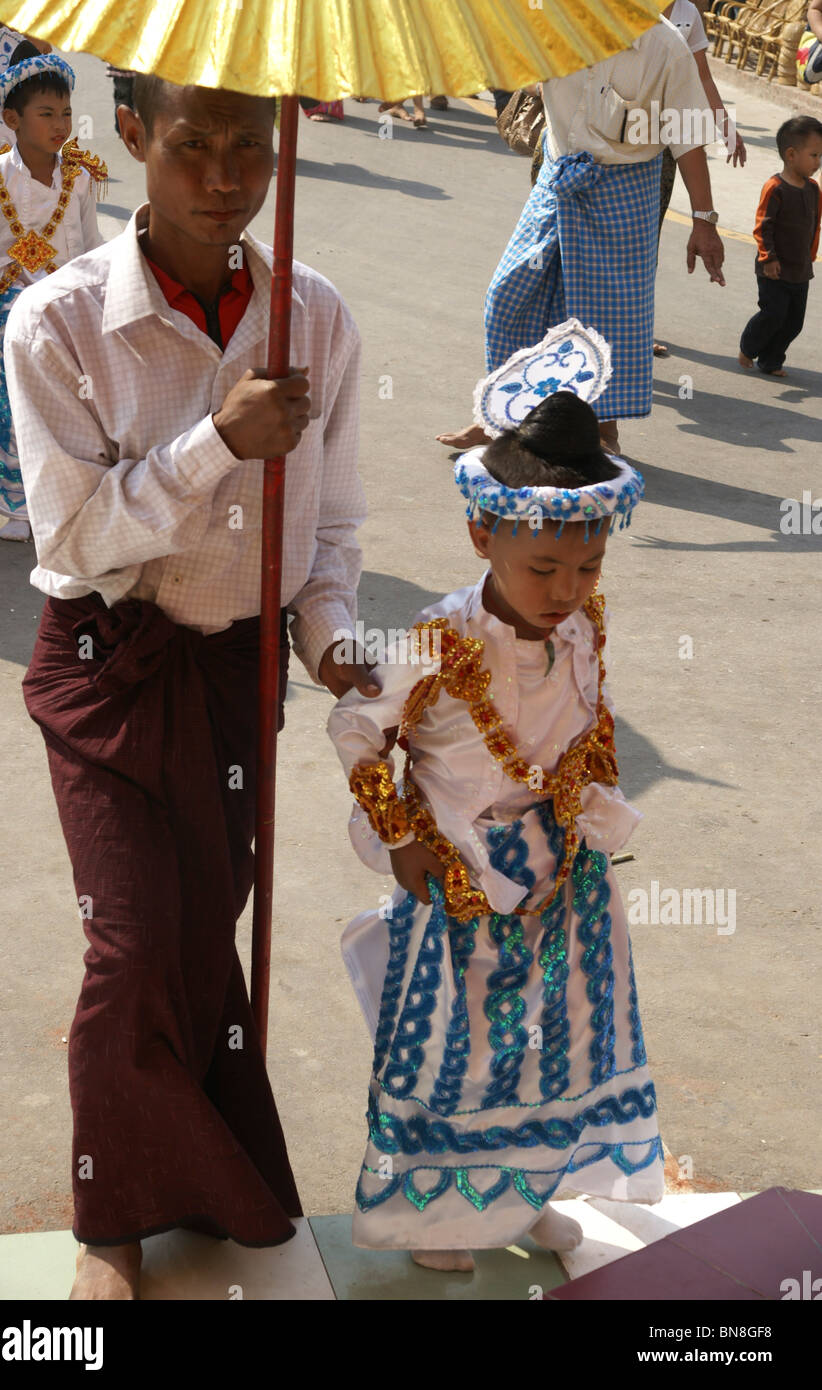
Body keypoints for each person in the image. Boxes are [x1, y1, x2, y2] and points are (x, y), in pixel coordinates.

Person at [4, 72, 375, 1300]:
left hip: (235, 673)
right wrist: (218, 440)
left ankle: (211, 1175)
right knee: (129, 934)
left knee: (201, 932)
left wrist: (330, 643)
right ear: (132, 139)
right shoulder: (54, 324)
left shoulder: (314, 316)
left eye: (250, 149)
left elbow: (332, 530)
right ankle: (109, 1216)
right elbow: (69, 540)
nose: (225, 179)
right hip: (111, 664)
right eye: (191, 146)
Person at [329, 326, 662, 1270]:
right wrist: (399, 839)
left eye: (588, 566)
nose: (568, 589)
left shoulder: (586, 622)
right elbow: (358, 732)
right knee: (463, 1051)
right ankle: (441, 1218)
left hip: (566, 874)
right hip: (465, 878)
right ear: (484, 533)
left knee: (561, 1039)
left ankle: (524, 1199)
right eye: (544, 569)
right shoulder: (439, 641)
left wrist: (594, 794)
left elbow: (591, 717)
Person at [437, 16, 725, 457]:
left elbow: (687, 140)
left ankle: (603, 432)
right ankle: (500, 418)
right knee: (508, 295)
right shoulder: (550, 22)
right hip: (560, 174)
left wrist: (704, 221)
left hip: (626, 187)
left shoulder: (666, 46)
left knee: (609, 317)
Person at [0, 49, 105, 540]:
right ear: (12, 119)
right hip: (8, 307)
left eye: (65, 113)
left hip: (67, 305)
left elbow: (90, 242)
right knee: (7, 403)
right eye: (47, 114)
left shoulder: (80, 176)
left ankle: (63, 496)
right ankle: (17, 504)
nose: (60, 124)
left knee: (67, 404)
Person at [653, 1, 746, 357]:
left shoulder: (687, 13)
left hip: (659, 147)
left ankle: (632, 324)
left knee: (645, 239)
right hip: (595, 143)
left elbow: (701, 76)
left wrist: (726, 126)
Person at [739, 116, 822, 379]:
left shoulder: (813, 189)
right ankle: (748, 348)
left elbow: (815, 224)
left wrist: (810, 257)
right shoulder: (775, 188)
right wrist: (768, 258)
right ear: (791, 154)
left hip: (800, 269)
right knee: (773, 314)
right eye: (815, 155)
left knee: (793, 323)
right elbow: (763, 227)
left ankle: (771, 359)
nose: (819, 162)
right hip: (773, 268)